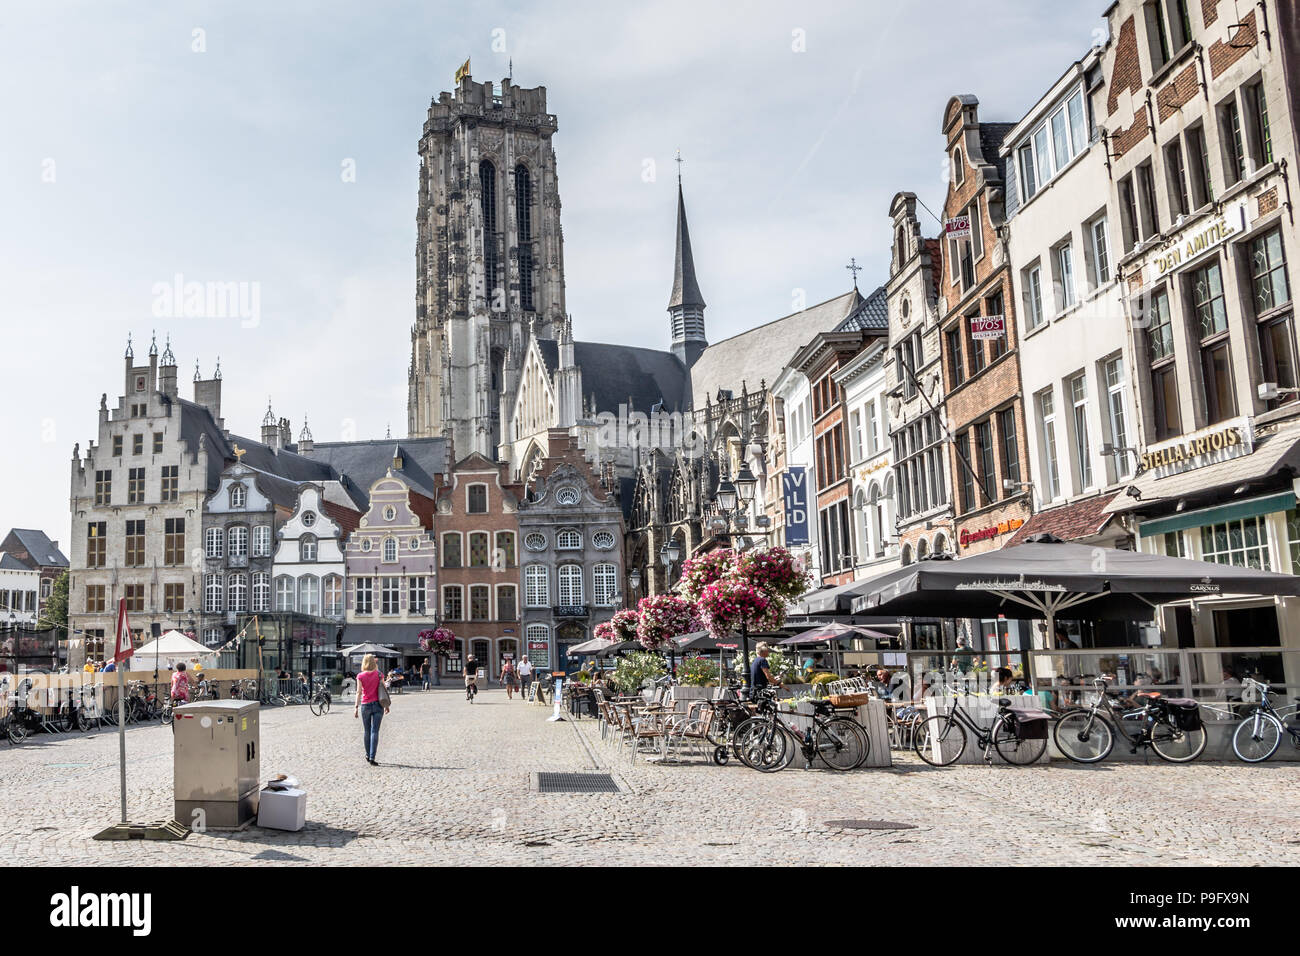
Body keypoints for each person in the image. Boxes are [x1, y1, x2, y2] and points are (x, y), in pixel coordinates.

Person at [353, 653, 390, 765]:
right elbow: (384, 690)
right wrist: (386, 705)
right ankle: (372, 757)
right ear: (374, 662)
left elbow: (359, 692)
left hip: (365, 705)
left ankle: (368, 755)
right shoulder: (379, 674)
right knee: (375, 731)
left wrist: (355, 707)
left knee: (367, 731)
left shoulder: (360, 676)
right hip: (378, 705)